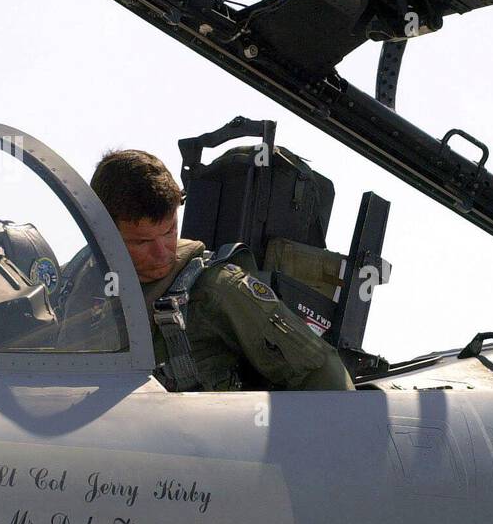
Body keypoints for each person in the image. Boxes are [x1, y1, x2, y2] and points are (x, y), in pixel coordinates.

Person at [90, 149, 354, 391]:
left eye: (169, 231)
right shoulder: (74, 287)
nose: (163, 252)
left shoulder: (217, 289)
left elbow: (321, 372)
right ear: (101, 232)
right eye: (142, 242)